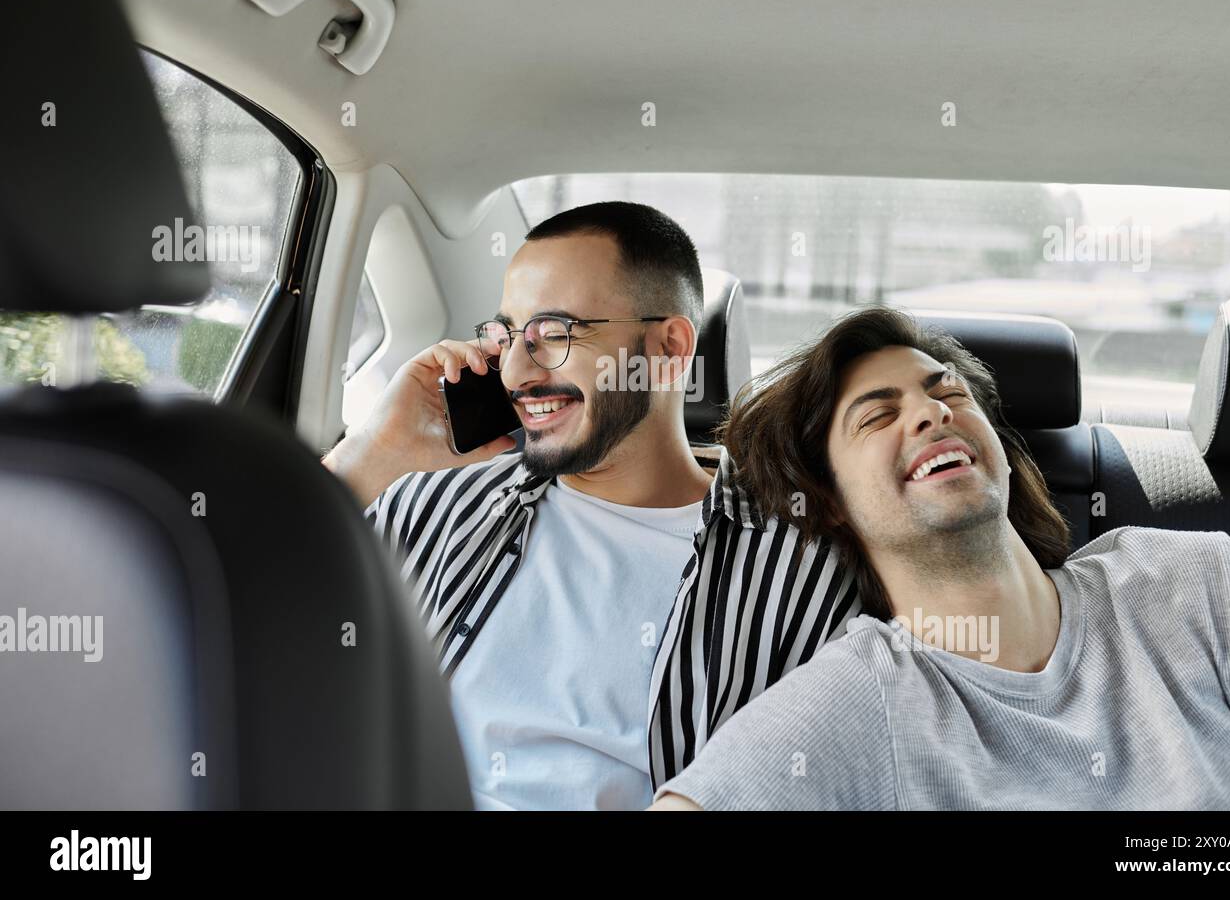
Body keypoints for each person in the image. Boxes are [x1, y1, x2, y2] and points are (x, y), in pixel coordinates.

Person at [651, 306, 1230, 810]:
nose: (932, 413)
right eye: (876, 417)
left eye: (950, 393)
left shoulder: (1196, 582)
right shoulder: (854, 702)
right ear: (831, 503)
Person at [322, 202, 859, 808]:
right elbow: (233, 616)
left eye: (554, 334)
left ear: (667, 347)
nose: (517, 373)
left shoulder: (797, 568)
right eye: (506, 337)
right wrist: (370, 455)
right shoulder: (437, 504)